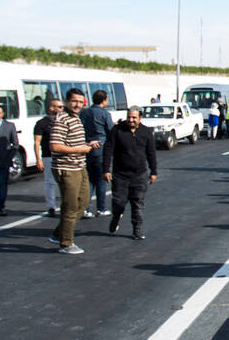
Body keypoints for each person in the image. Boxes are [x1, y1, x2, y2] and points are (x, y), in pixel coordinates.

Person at [49, 88, 101, 254]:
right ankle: (66, 243)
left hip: (79, 166)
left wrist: (87, 144)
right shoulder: (62, 119)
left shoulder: (76, 118)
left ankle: (59, 234)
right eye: (74, 101)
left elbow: (71, 141)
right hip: (67, 168)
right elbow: (55, 146)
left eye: (80, 102)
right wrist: (81, 149)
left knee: (84, 202)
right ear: (66, 102)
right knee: (70, 206)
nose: (78, 104)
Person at [104, 106, 157, 240]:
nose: (131, 120)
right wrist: (106, 169)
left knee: (137, 203)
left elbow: (151, 153)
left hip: (139, 175)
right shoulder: (117, 130)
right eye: (129, 117)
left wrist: (153, 171)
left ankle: (137, 230)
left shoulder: (146, 132)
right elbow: (108, 149)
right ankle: (116, 217)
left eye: (134, 117)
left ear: (140, 118)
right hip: (120, 174)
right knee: (119, 202)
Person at [79, 90, 115, 218]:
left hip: (87, 148)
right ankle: (101, 208)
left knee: (89, 181)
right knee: (101, 180)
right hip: (101, 149)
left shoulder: (84, 112)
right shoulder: (105, 113)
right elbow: (111, 131)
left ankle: (85, 209)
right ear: (105, 99)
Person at [33, 96, 61, 216]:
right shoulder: (41, 123)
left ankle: (66, 205)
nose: (61, 109)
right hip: (48, 156)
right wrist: (38, 159)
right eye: (59, 107)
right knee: (50, 182)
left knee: (64, 181)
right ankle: (51, 206)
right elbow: (37, 142)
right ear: (51, 108)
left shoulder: (63, 121)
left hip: (63, 155)